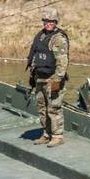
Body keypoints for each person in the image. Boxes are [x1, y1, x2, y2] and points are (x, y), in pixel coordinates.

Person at [26, 8, 70, 147]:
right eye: (46, 21)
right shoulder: (40, 36)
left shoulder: (59, 38)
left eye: (51, 21)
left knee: (54, 108)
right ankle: (46, 133)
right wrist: (33, 75)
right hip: (40, 78)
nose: (48, 24)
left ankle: (57, 136)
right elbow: (35, 56)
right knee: (42, 107)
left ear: (56, 22)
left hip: (53, 79)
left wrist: (57, 81)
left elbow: (62, 62)